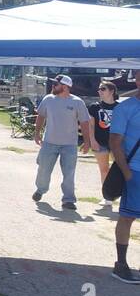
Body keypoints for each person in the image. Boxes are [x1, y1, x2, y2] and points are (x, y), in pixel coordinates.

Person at [33, 74, 93, 211]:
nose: (53, 86)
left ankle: (68, 199)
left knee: (69, 173)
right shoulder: (48, 99)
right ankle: (40, 190)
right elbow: (41, 116)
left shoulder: (77, 102)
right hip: (49, 142)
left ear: (65, 87)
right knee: (43, 169)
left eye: (56, 84)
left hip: (69, 145)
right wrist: (37, 133)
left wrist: (87, 141)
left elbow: (84, 122)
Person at [106, 84, 140, 283]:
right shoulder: (125, 108)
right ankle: (121, 264)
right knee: (127, 217)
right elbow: (115, 142)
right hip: (135, 170)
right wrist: (126, 172)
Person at [90, 81, 120, 194]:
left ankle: (119, 193)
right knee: (104, 170)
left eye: (103, 89)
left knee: (119, 169)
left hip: (116, 143)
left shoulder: (120, 107)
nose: (99, 91)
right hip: (100, 142)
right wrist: (92, 140)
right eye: (99, 89)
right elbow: (91, 125)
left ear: (112, 91)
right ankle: (107, 196)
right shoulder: (94, 107)